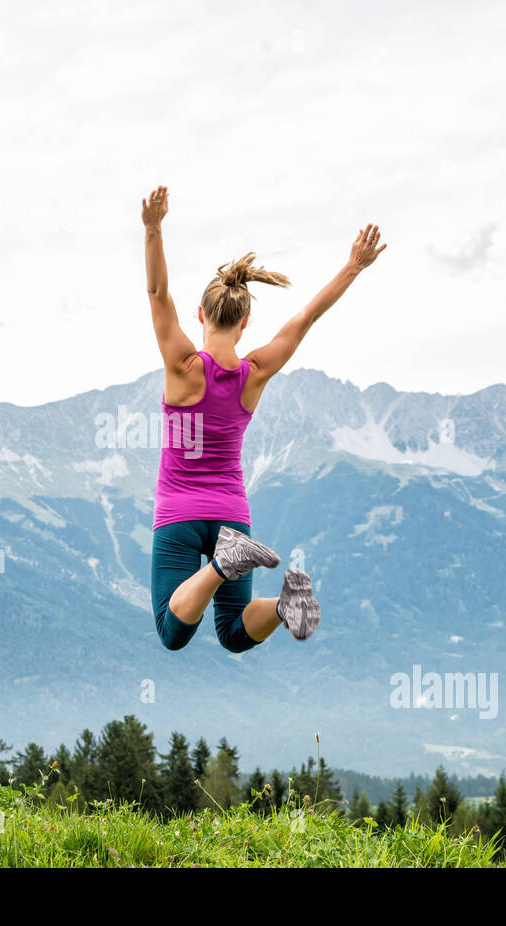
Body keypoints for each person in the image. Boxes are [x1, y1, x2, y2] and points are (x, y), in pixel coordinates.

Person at [141, 184, 387, 652]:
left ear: (199, 314)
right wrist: (354, 266)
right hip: (231, 512)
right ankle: (282, 604)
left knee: (171, 631)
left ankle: (221, 565)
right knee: (233, 633)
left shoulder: (183, 367)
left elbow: (157, 292)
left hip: (179, 512)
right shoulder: (255, 373)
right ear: (246, 321)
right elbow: (307, 316)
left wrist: (153, 228)